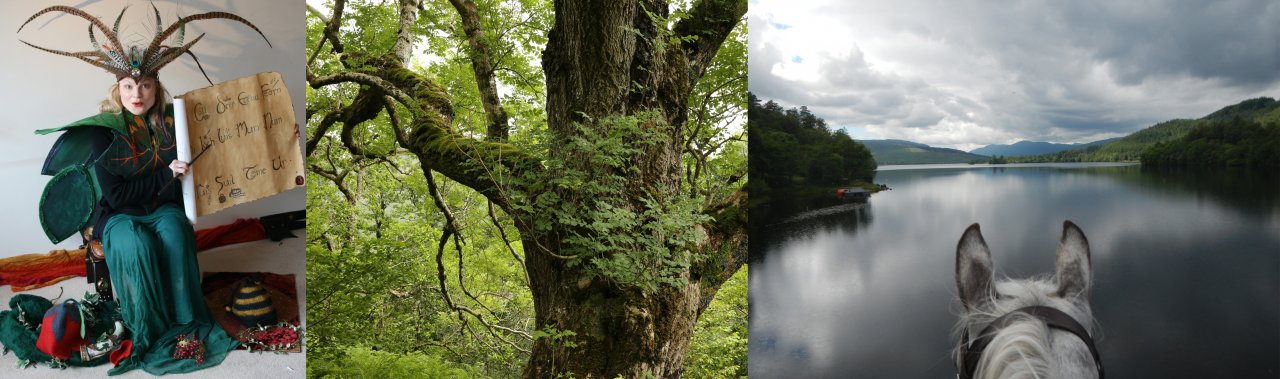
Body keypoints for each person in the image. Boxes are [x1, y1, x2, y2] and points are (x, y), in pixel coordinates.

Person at [16, 4, 271, 375]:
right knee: (137, 245)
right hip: (119, 216)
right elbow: (118, 197)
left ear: (157, 88)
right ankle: (148, 325)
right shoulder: (103, 132)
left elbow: (224, 143)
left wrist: (270, 138)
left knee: (173, 231)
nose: (138, 93)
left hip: (162, 208)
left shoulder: (174, 122)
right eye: (129, 86)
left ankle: (184, 320)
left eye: (146, 85)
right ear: (118, 89)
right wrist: (167, 174)